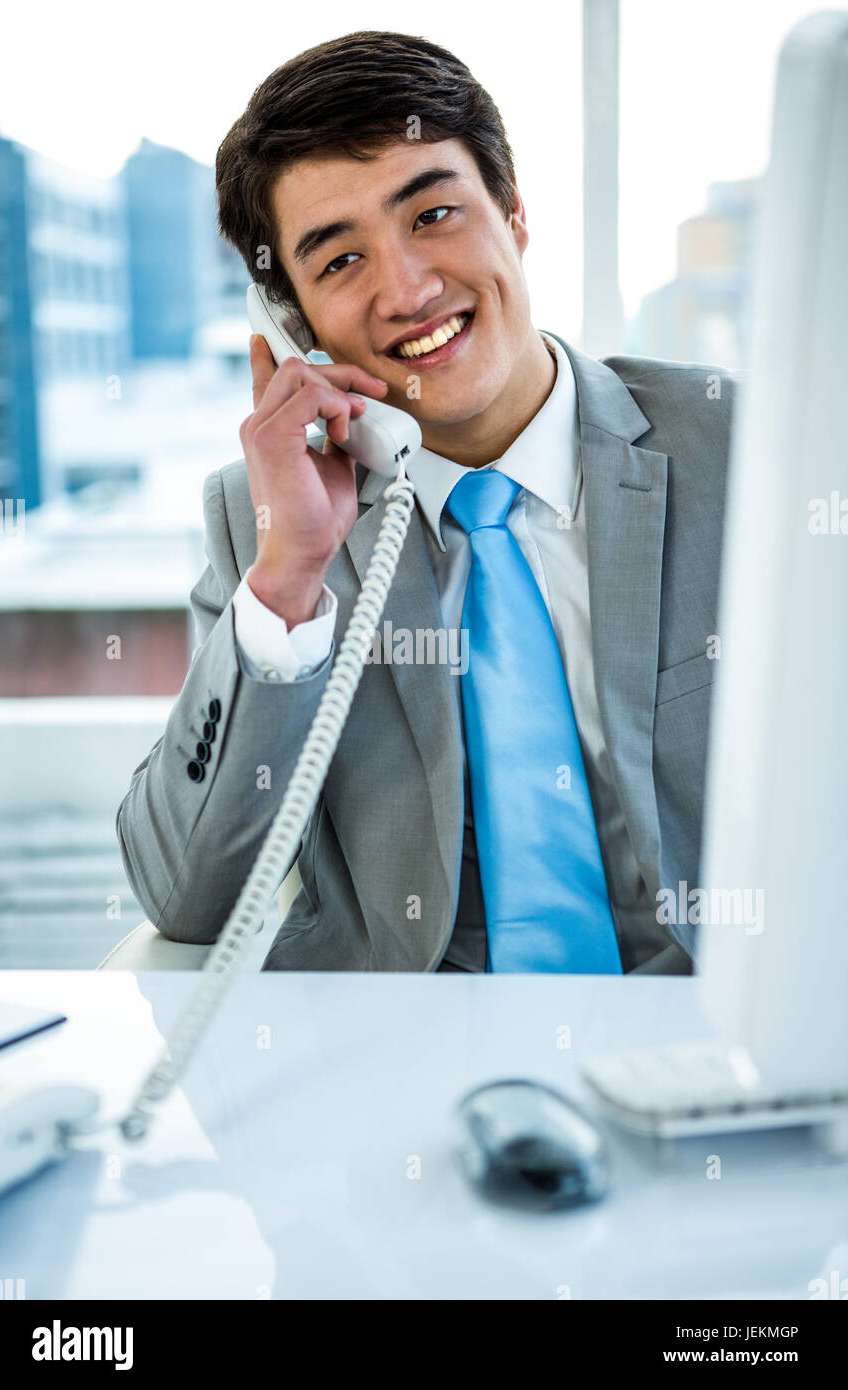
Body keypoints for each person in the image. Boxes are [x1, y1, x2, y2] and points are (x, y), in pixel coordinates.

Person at [117, 29, 738, 974]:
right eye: (338, 262)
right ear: (294, 329)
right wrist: (291, 576)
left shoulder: (742, 446)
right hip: (414, 1066)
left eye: (434, 213)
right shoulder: (265, 525)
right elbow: (187, 897)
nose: (406, 289)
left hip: (723, 1038)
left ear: (515, 214)